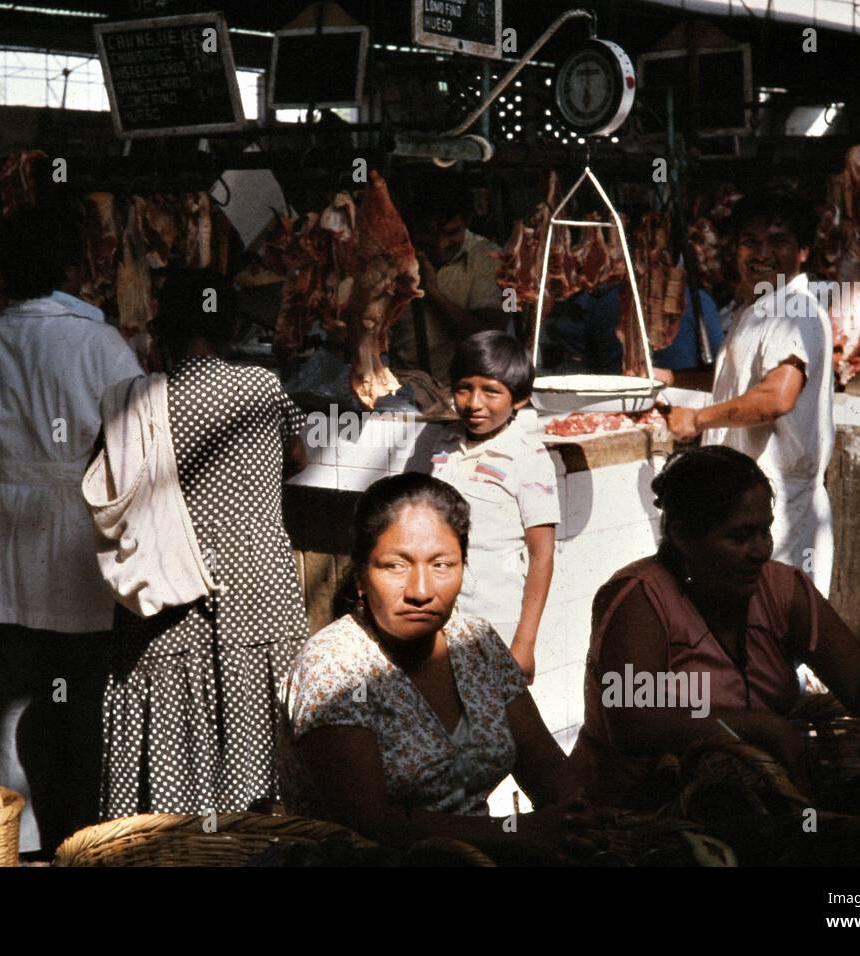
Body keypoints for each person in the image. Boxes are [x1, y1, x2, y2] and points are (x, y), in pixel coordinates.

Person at [571, 446, 860, 809]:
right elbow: (633, 722)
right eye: (739, 536)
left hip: (758, 800)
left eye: (764, 531)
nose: (759, 551)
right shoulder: (639, 601)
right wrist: (762, 727)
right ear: (684, 537)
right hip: (639, 813)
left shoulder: (782, 590)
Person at [278, 473, 606, 864]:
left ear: (463, 565)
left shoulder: (476, 643)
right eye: (395, 566)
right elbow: (368, 822)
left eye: (442, 564)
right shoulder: (334, 667)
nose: (420, 590)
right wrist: (514, 833)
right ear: (362, 575)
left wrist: (575, 819)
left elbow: (545, 766)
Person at [100, 269, 310, 818]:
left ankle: (180, 841)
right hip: (256, 585)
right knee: (258, 717)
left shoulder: (130, 401)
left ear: (160, 331)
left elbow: (104, 484)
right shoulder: (263, 388)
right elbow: (298, 458)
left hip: (167, 587)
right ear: (233, 327)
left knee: (174, 713)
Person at [0, 205, 143, 857]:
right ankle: (89, 837)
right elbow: (139, 427)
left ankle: (17, 841)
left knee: (17, 695)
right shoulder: (96, 340)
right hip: (78, 523)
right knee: (86, 695)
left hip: (10, 525)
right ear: (72, 268)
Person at [665, 191, 835, 595]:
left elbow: (776, 397)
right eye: (750, 241)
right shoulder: (760, 306)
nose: (761, 254)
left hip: (779, 505)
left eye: (778, 242)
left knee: (773, 629)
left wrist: (697, 419)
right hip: (746, 501)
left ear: (803, 251)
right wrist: (667, 376)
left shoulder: (799, 311)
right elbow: (738, 380)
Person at [424, 331, 558, 682]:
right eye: (464, 388)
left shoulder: (528, 457)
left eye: (491, 391)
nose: (473, 403)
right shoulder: (445, 442)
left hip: (495, 619)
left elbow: (542, 555)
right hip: (441, 612)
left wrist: (524, 643)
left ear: (520, 399)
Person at [387, 172, 504, 385]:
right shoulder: (392, 257)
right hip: (400, 391)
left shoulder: (488, 258)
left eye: (452, 233)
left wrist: (434, 294)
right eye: (428, 233)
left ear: (467, 221)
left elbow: (490, 337)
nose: (441, 244)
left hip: (467, 394)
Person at [548, 282, 724, 387]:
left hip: (673, 406)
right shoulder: (700, 299)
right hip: (634, 402)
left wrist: (670, 377)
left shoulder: (600, 302)